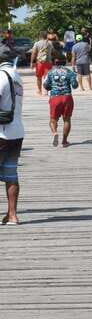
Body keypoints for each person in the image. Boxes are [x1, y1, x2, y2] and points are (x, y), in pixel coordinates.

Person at [0, 45, 24, 225]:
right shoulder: (17, 77)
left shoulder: (1, 76)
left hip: (2, 132)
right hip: (17, 131)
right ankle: (12, 215)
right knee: (11, 174)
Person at [43, 54, 78, 147]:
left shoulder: (50, 72)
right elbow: (75, 86)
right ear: (65, 62)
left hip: (55, 97)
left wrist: (52, 87)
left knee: (53, 119)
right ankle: (64, 141)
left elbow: (46, 85)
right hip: (67, 97)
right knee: (67, 119)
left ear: (55, 62)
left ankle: (55, 133)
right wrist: (75, 76)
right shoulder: (69, 72)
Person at [30, 31, 54, 95]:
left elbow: (34, 53)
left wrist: (32, 62)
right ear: (46, 36)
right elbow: (53, 52)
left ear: (40, 36)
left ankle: (39, 91)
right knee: (47, 77)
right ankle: (46, 91)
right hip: (48, 62)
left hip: (39, 62)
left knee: (39, 77)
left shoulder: (37, 43)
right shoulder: (50, 43)